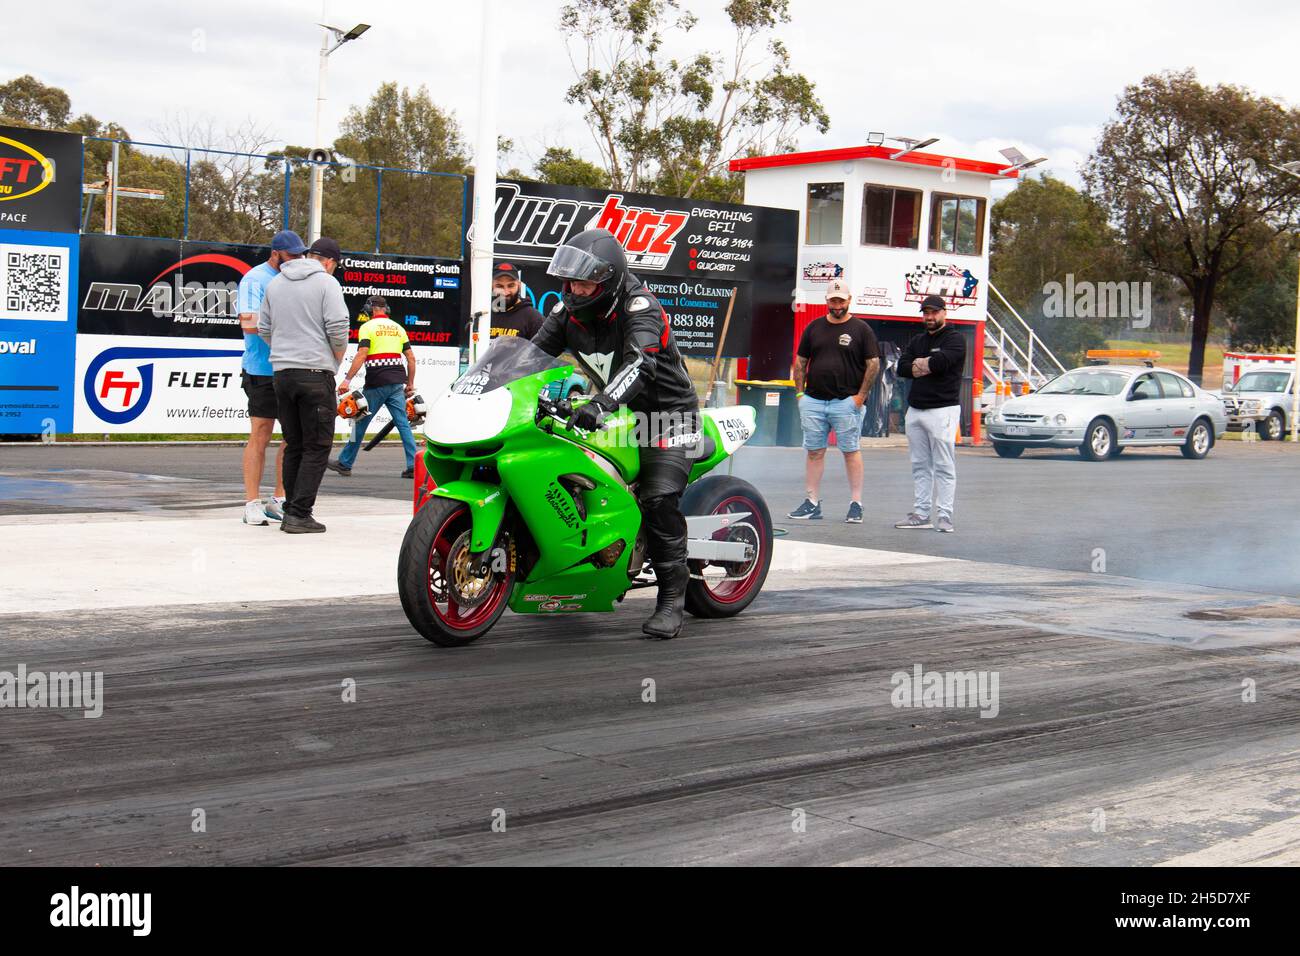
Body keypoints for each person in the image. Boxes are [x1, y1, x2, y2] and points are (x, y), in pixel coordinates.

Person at [531, 228, 700, 640]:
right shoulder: (566, 312)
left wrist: (601, 404)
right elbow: (529, 356)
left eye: (583, 282)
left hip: (666, 416)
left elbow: (641, 365)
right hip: (615, 412)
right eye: (569, 281)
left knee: (657, 498)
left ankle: (672, 599)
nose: (573, 289)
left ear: (606, 282)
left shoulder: (640, 307)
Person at [257, 236, 349, 534]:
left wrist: (285, 351)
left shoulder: (276, 283)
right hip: (315, 373)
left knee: (294, 444)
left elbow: (263, 328)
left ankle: (289, 511)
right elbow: (338, 327)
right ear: (330, 262)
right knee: (317, 445)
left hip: (282, 374)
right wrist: (333, 358)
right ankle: (299, 513)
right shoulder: (327, 284)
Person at [787, 279, 880, 523]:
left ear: (849, 300)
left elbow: (873, 364)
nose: (837, 304)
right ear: (826, 301)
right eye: (833, 300)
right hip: (814, 401)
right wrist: (800, 394)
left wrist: (860, 397)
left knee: (850, 451)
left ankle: (856, 504)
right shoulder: (814, 327)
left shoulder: (861, 329)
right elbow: (800, 361)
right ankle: (811, 502)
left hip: (845, 402)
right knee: (814, 452)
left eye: (841, 300)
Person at [236, 230, 305, 525]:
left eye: (300, 255)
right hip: (262, 369)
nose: (296, 260)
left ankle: (278, 499)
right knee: (261, 433)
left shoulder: (297, 281)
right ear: (275, 254)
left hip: (290, 368)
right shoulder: (255, 279)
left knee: (292, 437)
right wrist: (287, 339)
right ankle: (251, 502)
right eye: (291, 255)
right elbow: (249, 323)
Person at [894, 294, 967, 534]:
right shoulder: (917, 340)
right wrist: (925, 365)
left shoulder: (956, 339)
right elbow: (901, 367)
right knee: (919, 465)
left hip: (943, 410)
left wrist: (922, 365)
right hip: (915, 410)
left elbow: (942, 363)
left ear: (944, 313)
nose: (929, 317)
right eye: (926, 313)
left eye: (934, 312)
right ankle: (921, 514)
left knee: (944, 465)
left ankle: (945, 516)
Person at [326, 296, 418, 479]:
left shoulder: (367, 327)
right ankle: (413, 465)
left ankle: (345, 462)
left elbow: (362, 354)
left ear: (372, 309)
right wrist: (410, 383)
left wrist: (347, 380)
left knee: (360, 421)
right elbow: (411, 358)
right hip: (396, 382)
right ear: (386, 309)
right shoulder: (398, 328)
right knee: (403, 424)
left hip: (377, 381)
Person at [488, 262, 545, 338]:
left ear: (519, 285)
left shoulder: (534, 319)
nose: (505, 292)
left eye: (511, 285)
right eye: (499, 286)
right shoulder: (483, 314)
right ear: (491, 286)